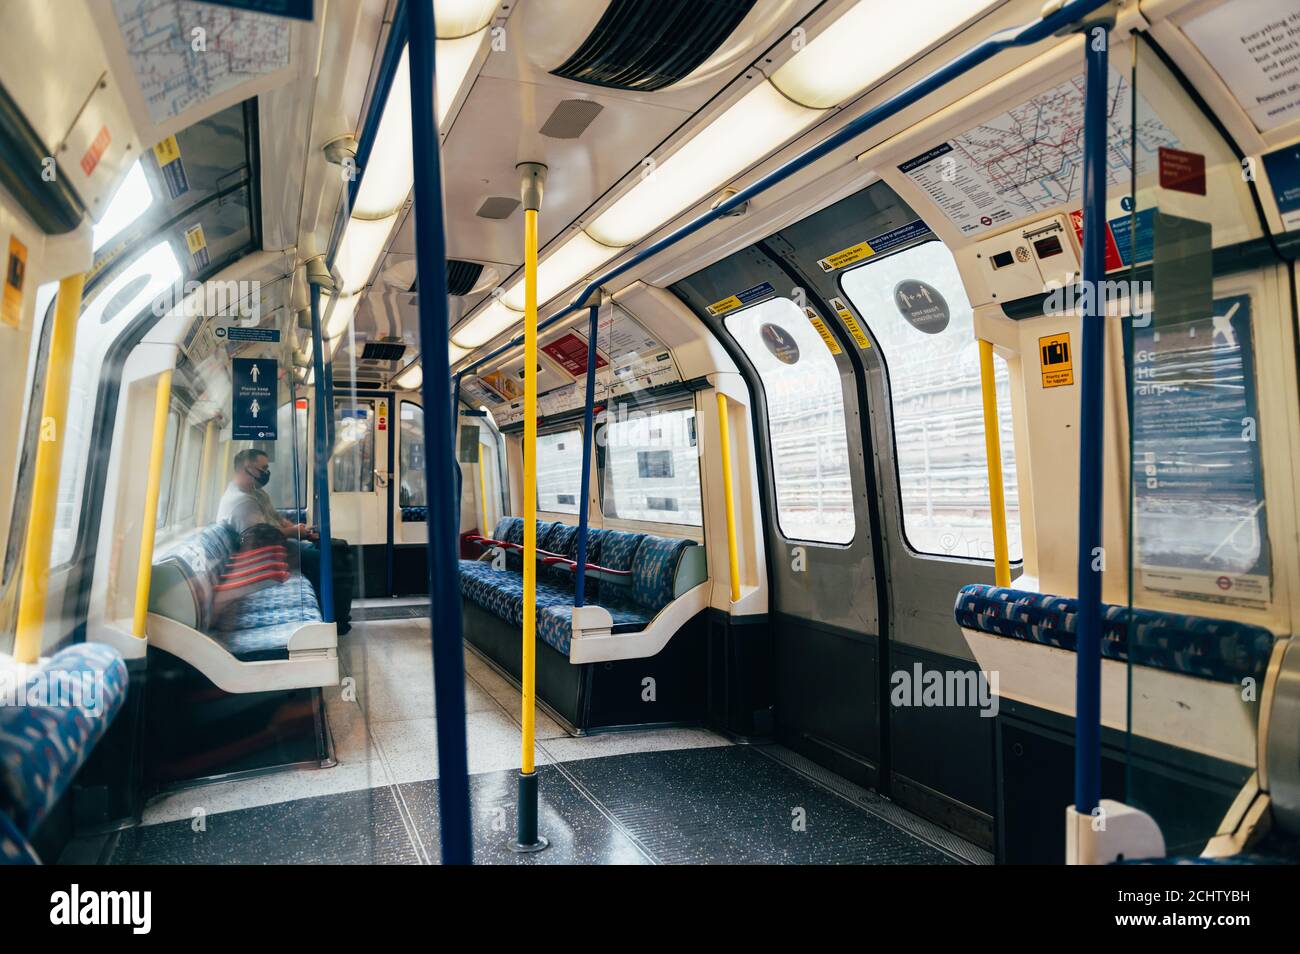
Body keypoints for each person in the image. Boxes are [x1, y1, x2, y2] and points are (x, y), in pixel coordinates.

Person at [217, 449, 353, 634]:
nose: (266, 473)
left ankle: (339, 616)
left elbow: (277, 519)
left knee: (339, 547)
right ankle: (336, 622)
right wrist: (295, 533)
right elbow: (262, 537)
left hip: (279, 546)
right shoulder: (241, 502)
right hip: (267, 555)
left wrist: (298, 529)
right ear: (246, 469)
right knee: (329, 560)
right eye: (263, 468)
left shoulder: (256, 493)